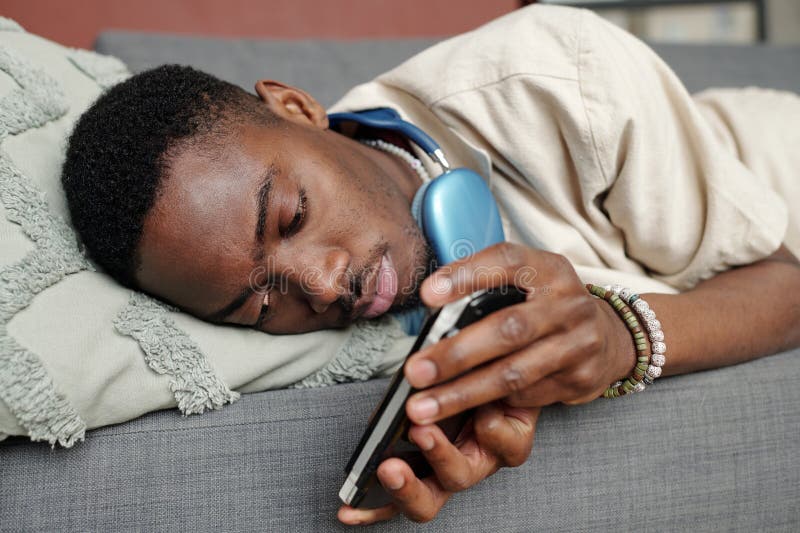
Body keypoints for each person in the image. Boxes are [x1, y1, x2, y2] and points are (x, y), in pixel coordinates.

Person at [61, 4, 800, 525]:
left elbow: (786, 287)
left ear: (295, 107)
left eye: (292, 216)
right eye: (261, 304)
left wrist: (621, 337)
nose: (323, 286)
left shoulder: (558, 76)